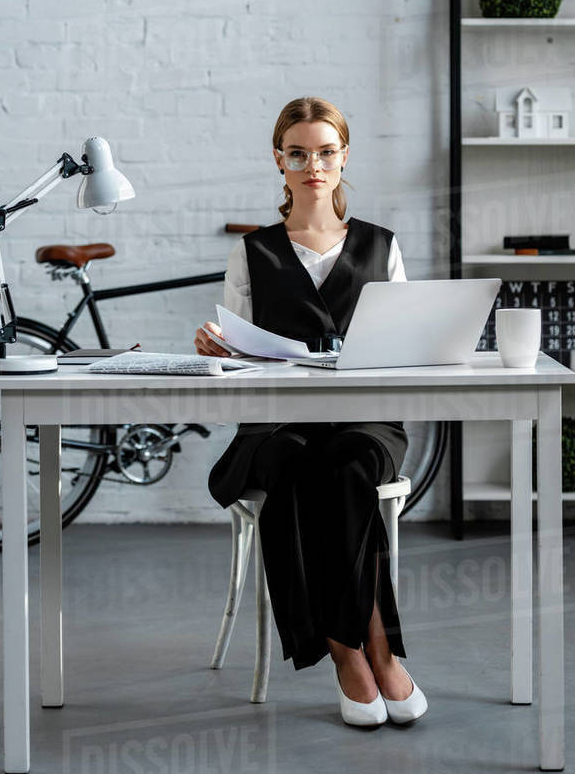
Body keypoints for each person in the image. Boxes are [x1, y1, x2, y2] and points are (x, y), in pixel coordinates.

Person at [195, 96, 427, 727]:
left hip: (365, 419)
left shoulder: (382, 246)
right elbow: (238, 353)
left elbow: (405, 349)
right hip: (278, 422)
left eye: (326, 152)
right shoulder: (254, 251)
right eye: (299, 153)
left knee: (350, 466)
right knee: (298, 464)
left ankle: (364, 647)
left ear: (343, 157)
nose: (314, 164)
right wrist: (215, 345)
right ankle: (359, 654)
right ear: (280, 161)